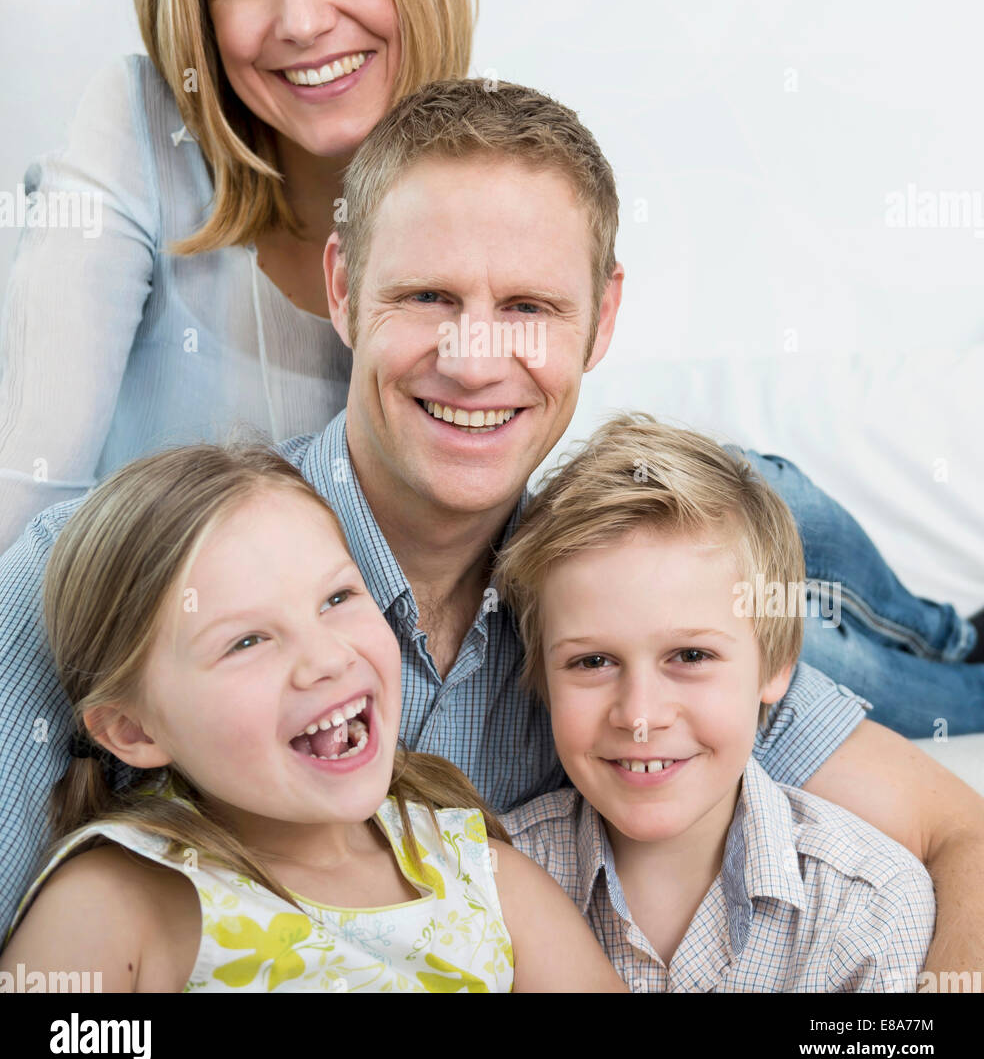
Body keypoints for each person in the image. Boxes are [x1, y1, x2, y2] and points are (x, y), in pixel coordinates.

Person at [1, 79, 981, 980]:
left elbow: (956, 831)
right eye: (428, 296)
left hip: (753, 521)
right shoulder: (101, 576)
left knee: (899, 633)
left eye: (530, 307)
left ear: (603, 319)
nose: (474, 361)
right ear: (341, 287)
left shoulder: (614, 604)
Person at [0, 0, 476, 551]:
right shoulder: (144, 127)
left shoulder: (498, 178)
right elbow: (23, 494)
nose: (301, 21)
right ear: (199, 13)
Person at [0, 443, 624, 994]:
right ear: (134, 731)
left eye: (337, 598)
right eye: (246, 641)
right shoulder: (119, 902)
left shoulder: (481, 879)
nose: (325, 658)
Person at [495, 413, 937, 991]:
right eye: (593, 662)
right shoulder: (491, 881)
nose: (640, 715)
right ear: (542, 679)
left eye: (691, 656)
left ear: (777, 665)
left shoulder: (870, 909)